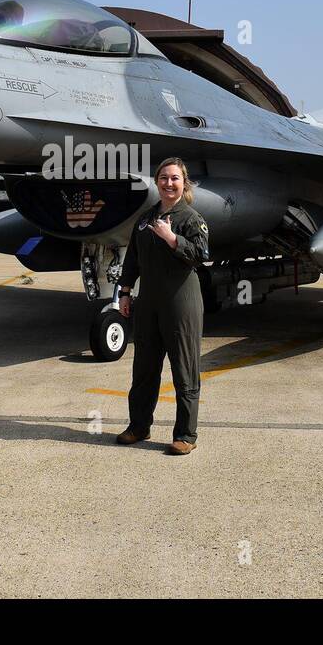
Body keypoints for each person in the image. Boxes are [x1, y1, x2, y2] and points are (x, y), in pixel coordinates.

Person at [114, 157, 210, 455]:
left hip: (181, 303)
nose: (169, 183)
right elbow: (132, 259)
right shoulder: (145, 219)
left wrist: (172, 239)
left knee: (184, 369)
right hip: (149, 302)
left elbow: (201, 254)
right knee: (144, 368)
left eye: (175, 179)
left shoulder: (192, 219)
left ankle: (186, 435)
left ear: (184, 183)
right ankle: (139, 426)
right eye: (164, 178)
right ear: (157, 182)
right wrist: (125, 292)